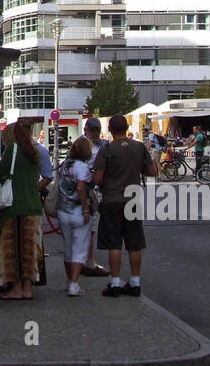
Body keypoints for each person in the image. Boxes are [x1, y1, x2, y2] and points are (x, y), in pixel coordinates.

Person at [94, 114, 156, 297]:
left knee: (114, 243)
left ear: (110, 130)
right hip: (133, 200)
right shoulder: (139, 147)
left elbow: (97, 178)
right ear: (127, 128)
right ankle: (135, 283)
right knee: (134, 244)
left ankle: (114, 284)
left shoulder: (106, 149)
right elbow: (151, 171)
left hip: (112, 200)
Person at [0, 121, 43, 300]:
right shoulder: (34, 151)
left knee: (12, 248)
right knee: (29, 249)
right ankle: (28, 288)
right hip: (33, 206)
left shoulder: (12, 150)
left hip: (14, 206)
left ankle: (16, 289)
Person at [54, 136, 94, 297]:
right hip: (78, 211)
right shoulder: (83, 167)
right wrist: (86, 209)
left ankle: (69, 280)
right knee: (80, 248)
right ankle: (74, 285)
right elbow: (81, 188)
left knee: (68, 248)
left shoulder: (65, 165)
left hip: (63, 210)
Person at [80, 117, 109, 277]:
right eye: (92, 130)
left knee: (90, 227)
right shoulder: (81, 144)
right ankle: (88, 262)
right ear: (86, 129)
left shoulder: (103, 144)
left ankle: (86, 261)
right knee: (89, 227)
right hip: (87, 189)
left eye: (97, 130)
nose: (95, 133)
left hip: (96, 189)